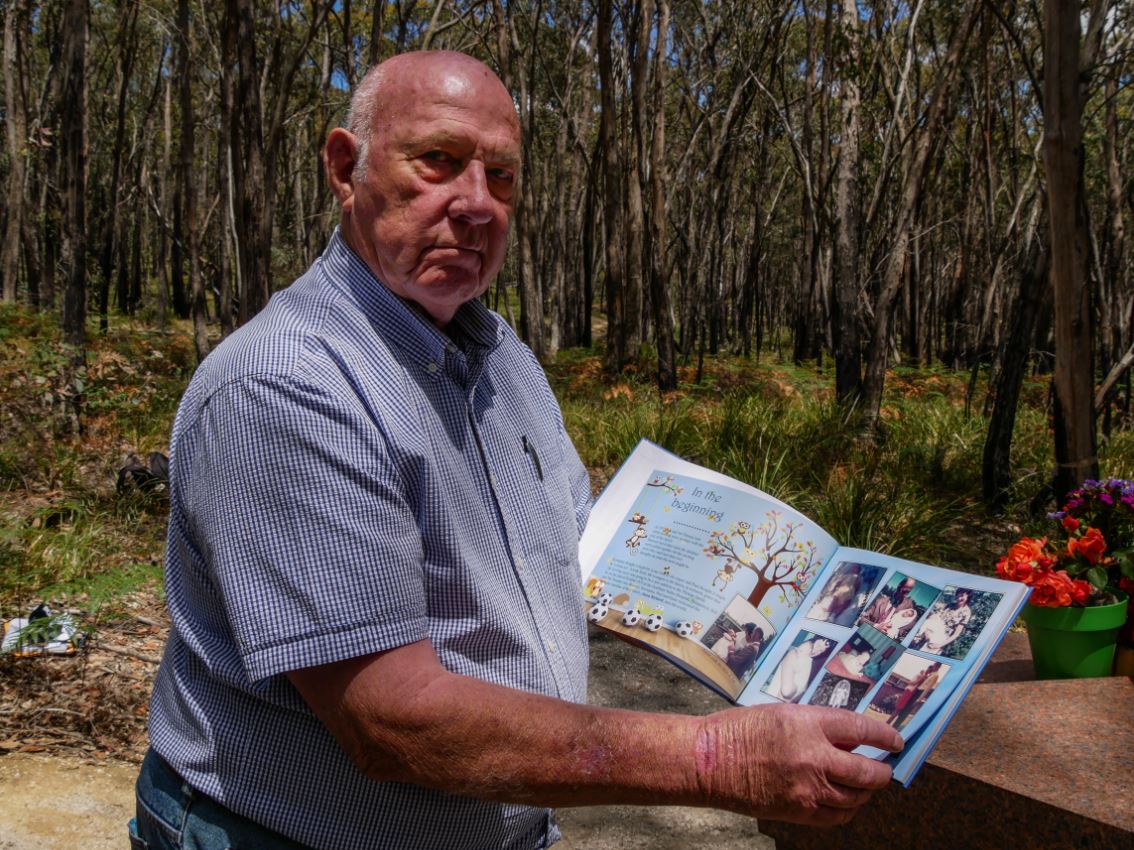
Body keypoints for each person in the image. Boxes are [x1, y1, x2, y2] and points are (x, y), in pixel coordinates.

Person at [132, 50, 902, 850]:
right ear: (344, 168)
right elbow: (392, 722)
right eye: (438, 160)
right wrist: (716, 758)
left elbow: (584, 553)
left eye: (501, 176)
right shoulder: (288, 385)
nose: (477, 203)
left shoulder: (501, 355)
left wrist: (795, 606)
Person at [765, 637, 831, 703]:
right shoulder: (794, 654)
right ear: (810, 642)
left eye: (821, 651)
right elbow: (786, 692)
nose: (817, 650)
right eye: (818, 645)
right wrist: (795, 690)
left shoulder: (808, 664)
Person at [911, 588, 973, 654]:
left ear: (968, 597)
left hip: (939, 640)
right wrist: (926, 631)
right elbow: (934, 617)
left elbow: (956, 634)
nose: (959, 598)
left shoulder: (966, 612)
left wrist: (939, 645)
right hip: (928, 632)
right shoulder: (949, 605)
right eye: (958, 595)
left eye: (962, 596)